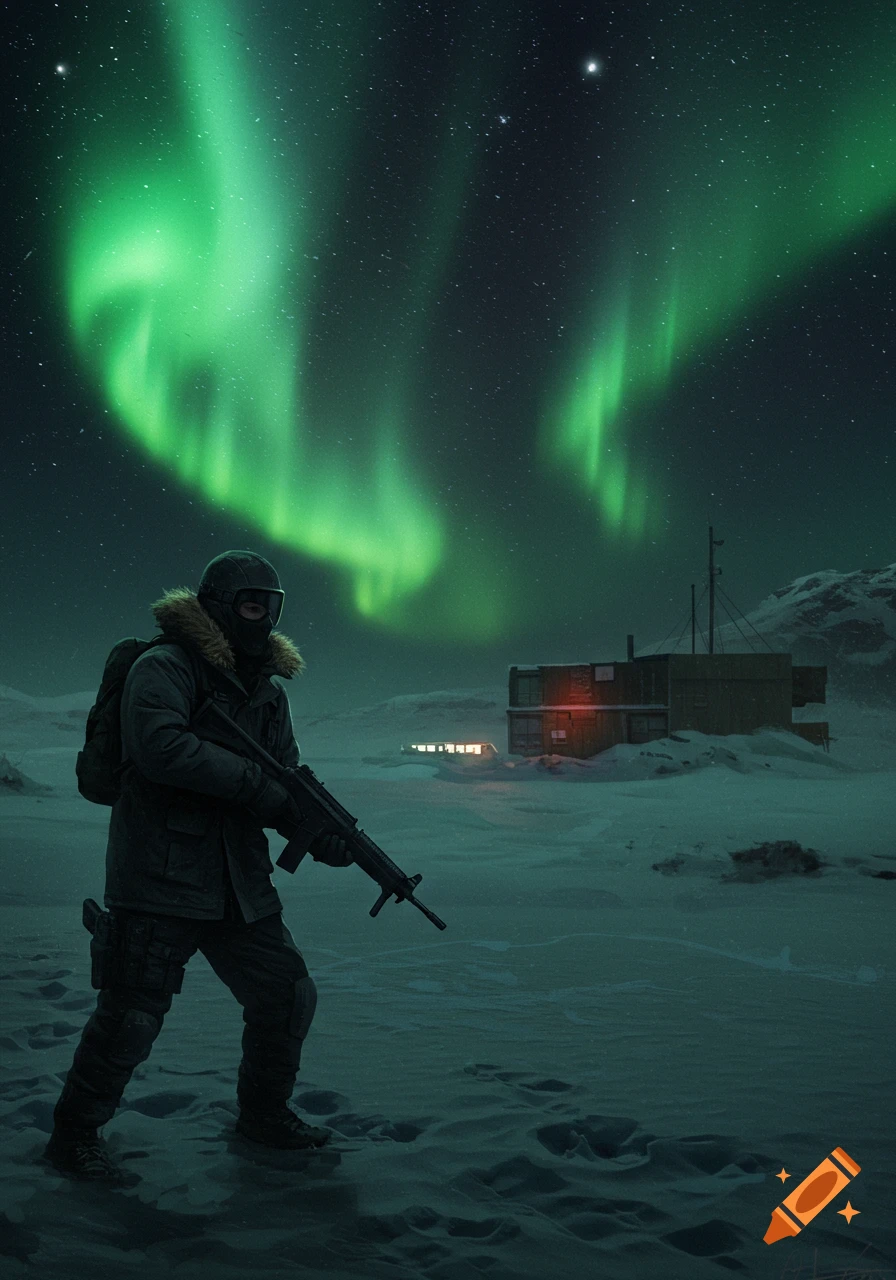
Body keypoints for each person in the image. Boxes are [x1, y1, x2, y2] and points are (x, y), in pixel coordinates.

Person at [44, 550, 352, 1184]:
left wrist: (317, 832)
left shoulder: (266, 693)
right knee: (130, 1014)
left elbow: (284, 779)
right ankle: (74, 1135)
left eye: (271, 605)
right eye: (248, 603)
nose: (260, 616)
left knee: (287, 996)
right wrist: (257, 789)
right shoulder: (164, 666)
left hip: (240, 883)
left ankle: (264, 1117)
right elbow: (160, 748)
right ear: (216, 604)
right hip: (159, 874)